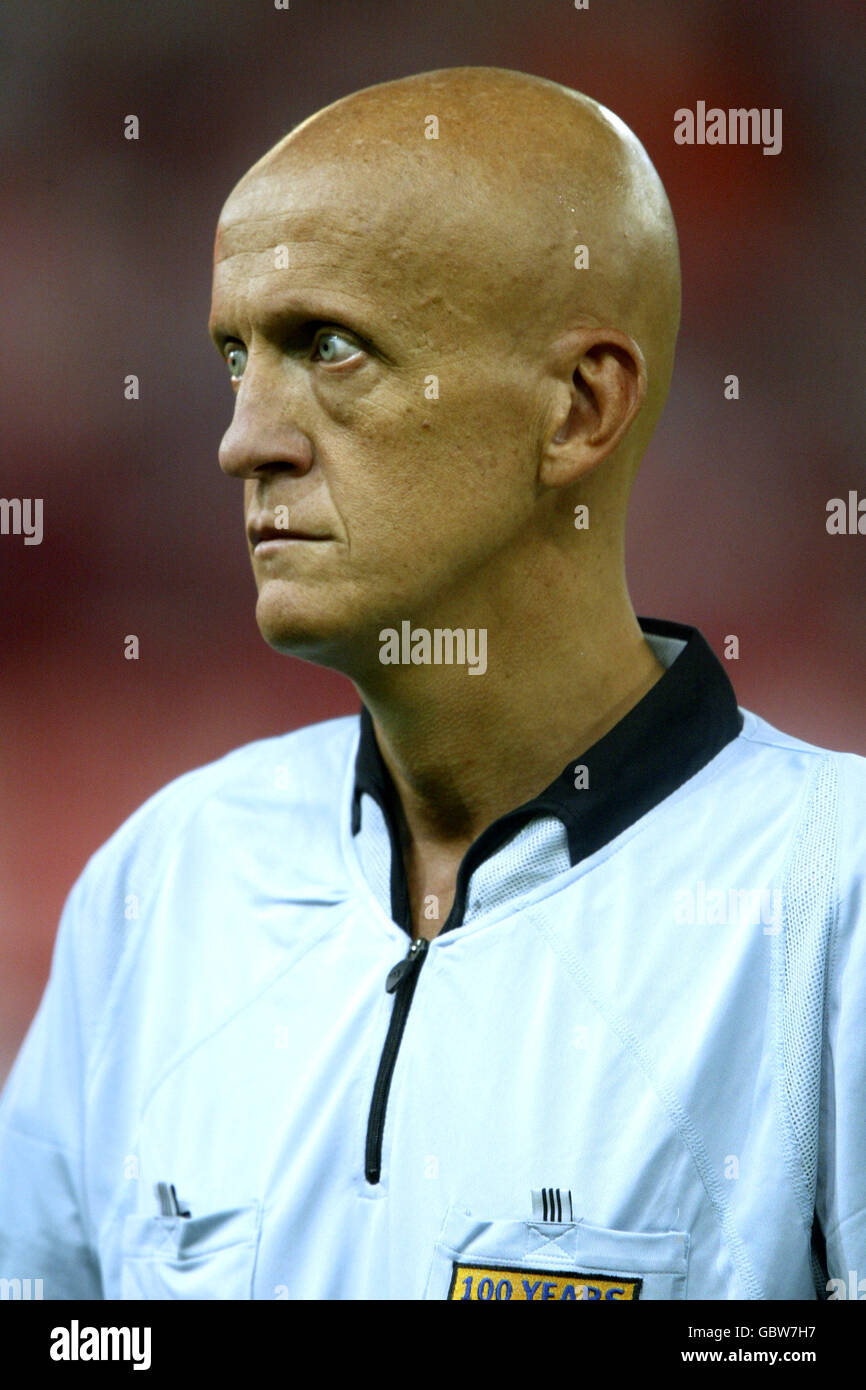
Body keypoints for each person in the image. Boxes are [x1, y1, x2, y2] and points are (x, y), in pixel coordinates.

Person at [0, 66, 862, 1301]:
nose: (243, 437)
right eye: (234, 355)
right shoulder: (163, 879)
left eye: (328, 346)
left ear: (577, 407)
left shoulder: (830, 900)